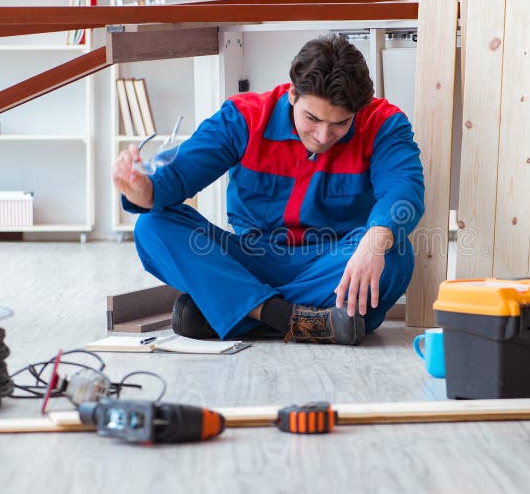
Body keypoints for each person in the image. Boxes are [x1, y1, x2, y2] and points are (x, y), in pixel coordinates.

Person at [112, 35, 424, 346]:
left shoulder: (384, 123)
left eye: (340, 124)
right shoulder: (243, 118)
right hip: (253, 259)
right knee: (153, 227)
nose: (323, 135)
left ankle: (235, 309)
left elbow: (404, 190)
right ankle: (294, 320)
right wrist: (143, 189)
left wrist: (375, 240)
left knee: (395, 253)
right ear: (292, 94)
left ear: (359, 108)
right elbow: (177, 177)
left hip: (335, 262)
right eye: (312, 118)